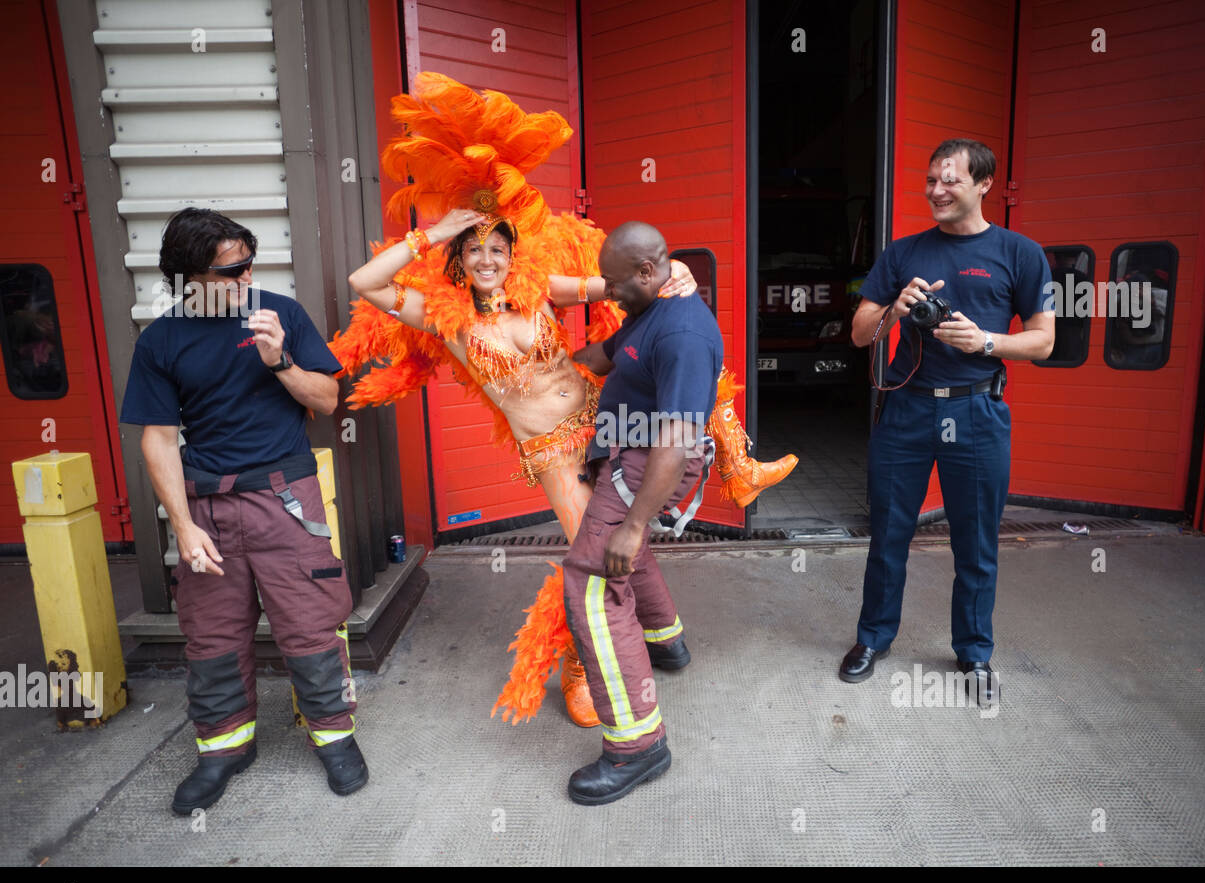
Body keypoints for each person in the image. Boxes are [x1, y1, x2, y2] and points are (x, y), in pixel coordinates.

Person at [333, 72, 796, 729]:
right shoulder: (446, 319)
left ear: (510, 254)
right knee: (594, 556)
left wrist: (676, 274)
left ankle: (735, 472)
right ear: (460, 262)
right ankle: (590, 666)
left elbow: (618, 285)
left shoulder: (538, 288)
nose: (489, 258)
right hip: (556, 453)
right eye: (476, 250)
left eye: (498, 246)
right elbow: (365, 282)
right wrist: (439, 231)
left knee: (681, 367)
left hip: (604, 418)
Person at [120, 208, 366, 813]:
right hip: (206, 506)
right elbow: (156, 438)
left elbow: (330, 400)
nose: (243, 278)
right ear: (185, 276)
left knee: (309, 624)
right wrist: (181, 525)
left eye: (248, 265)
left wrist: (280, 362)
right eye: (229, 270)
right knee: (211, 634)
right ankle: (224, 749)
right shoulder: (161, 341)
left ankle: (334, 736)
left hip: (285, 497)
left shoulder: (280, 313)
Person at [839, 139, 1055, 705]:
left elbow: (1044, 340)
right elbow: (861, 333)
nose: (936, 190)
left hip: (977, 408)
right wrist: (895, 306)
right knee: (887, 533)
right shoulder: (904, 252)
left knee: (976, 541)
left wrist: (988, 341)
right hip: (907, 407)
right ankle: (872, 639)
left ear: (984, 184)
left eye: (950, 180)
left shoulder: (1021, 253)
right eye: (931, 179)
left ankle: (975, 652)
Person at [561, 221, 721, 805]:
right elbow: (609, 358)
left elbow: (676, 442)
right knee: (626, 556)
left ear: (648, 272)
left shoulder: (682, 332)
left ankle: (636, 746)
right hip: (628, 455)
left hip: (649, 462)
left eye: (614, 282)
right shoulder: (650, 308)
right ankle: (666, 642)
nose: (607, 291)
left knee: (591, 584)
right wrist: (558, 362)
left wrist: (632, 523)